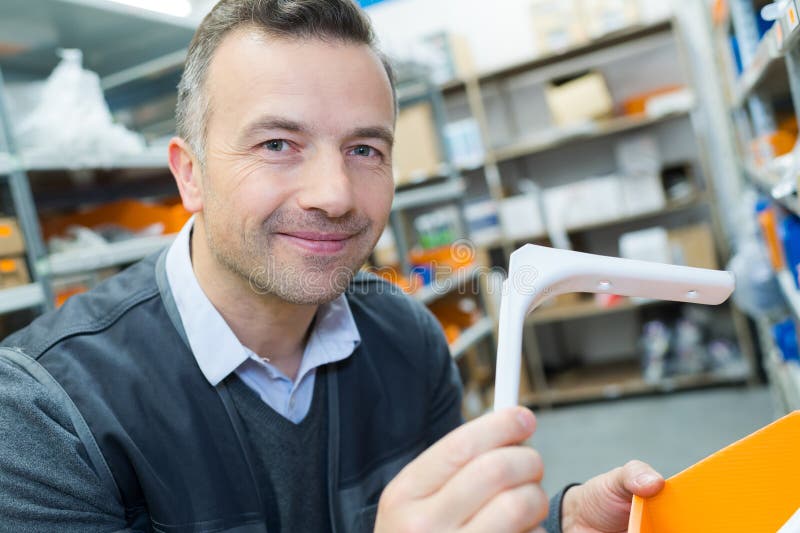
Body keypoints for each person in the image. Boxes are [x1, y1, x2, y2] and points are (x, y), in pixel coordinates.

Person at [0, 0, 665, 531]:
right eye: (278, 143)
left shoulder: (407, 338)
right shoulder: (44, 413)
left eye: (365, 150)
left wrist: (558, 522)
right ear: (190, 175)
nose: (336, 194)